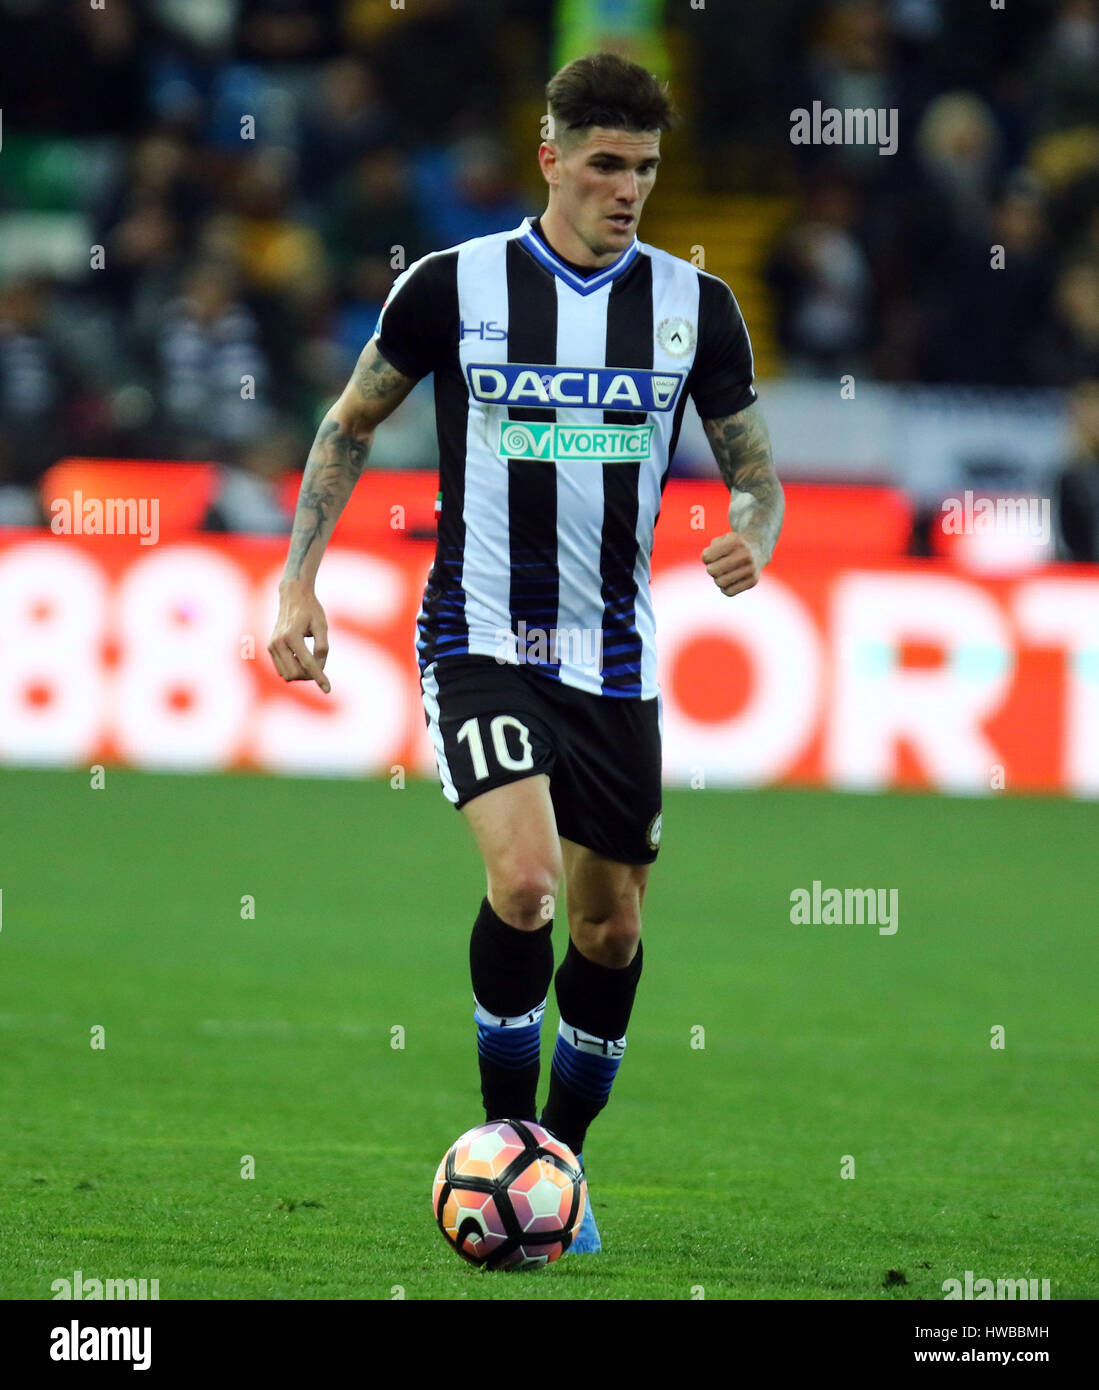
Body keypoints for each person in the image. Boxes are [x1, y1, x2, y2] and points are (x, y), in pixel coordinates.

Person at [267, 52, 784, 1255]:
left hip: (616, 663)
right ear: (548, 155)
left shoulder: (693, 306)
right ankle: (506, 1148)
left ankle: (563, 1170)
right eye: (605, 164)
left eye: (645, 168)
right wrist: (299, 578)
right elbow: (350, 421)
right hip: (478, 636)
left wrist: (749, 531)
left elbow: (753, 475)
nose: (627, 189)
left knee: (608, 931)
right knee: (528, 886)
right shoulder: (453, 287)